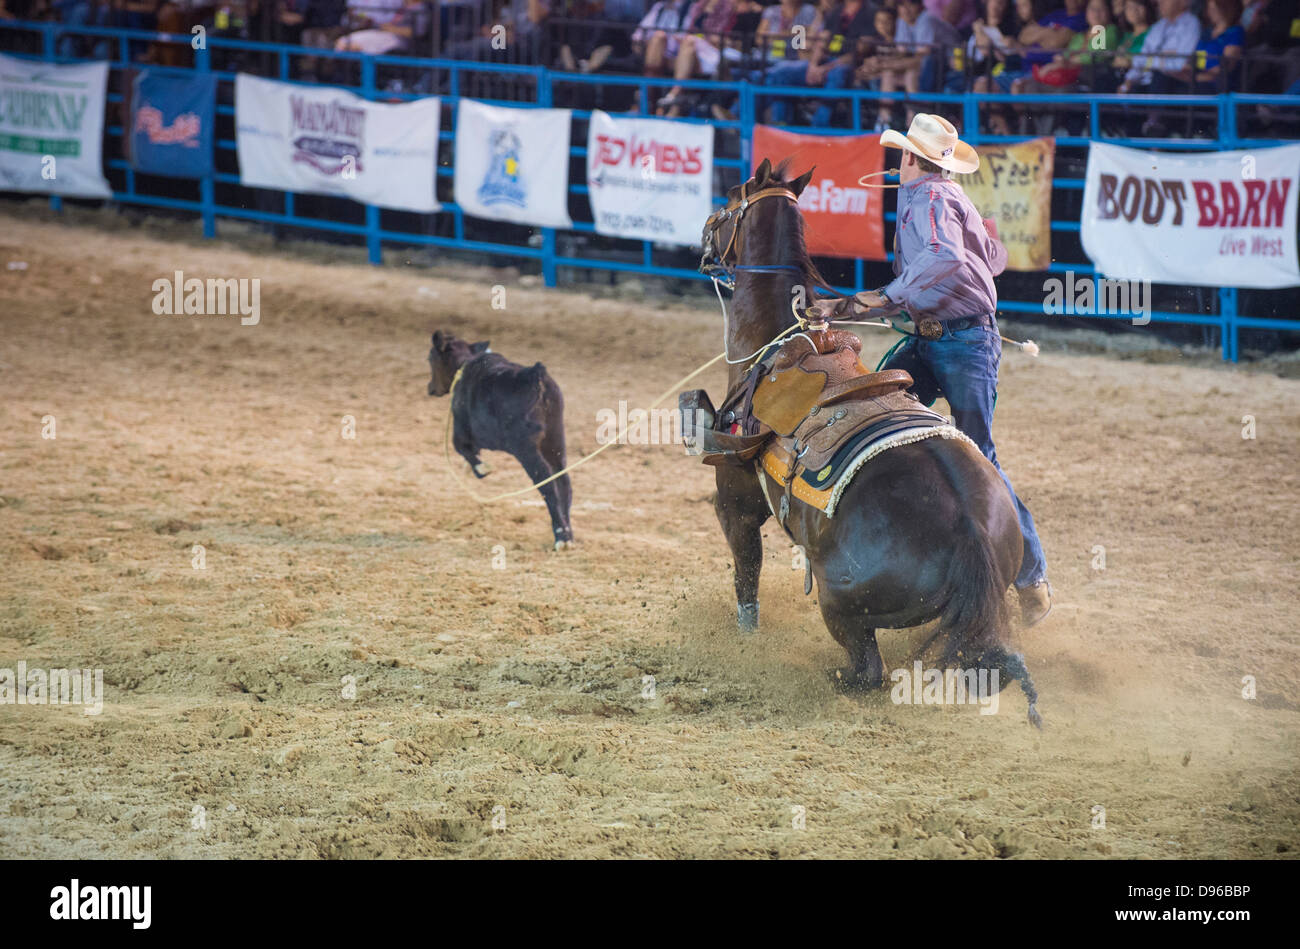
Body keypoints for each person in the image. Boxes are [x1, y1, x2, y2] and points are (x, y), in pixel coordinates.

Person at [852, 113, 1053, 627]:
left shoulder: (932, 199)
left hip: (960, 341)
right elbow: (989, 256)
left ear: (910, 157)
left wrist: (883, 297)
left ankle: (1030, 573)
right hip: (945, 337)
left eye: (901, 153)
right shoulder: (942, 197)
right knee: (887, 418)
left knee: (974, 453)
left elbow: (944, 255)